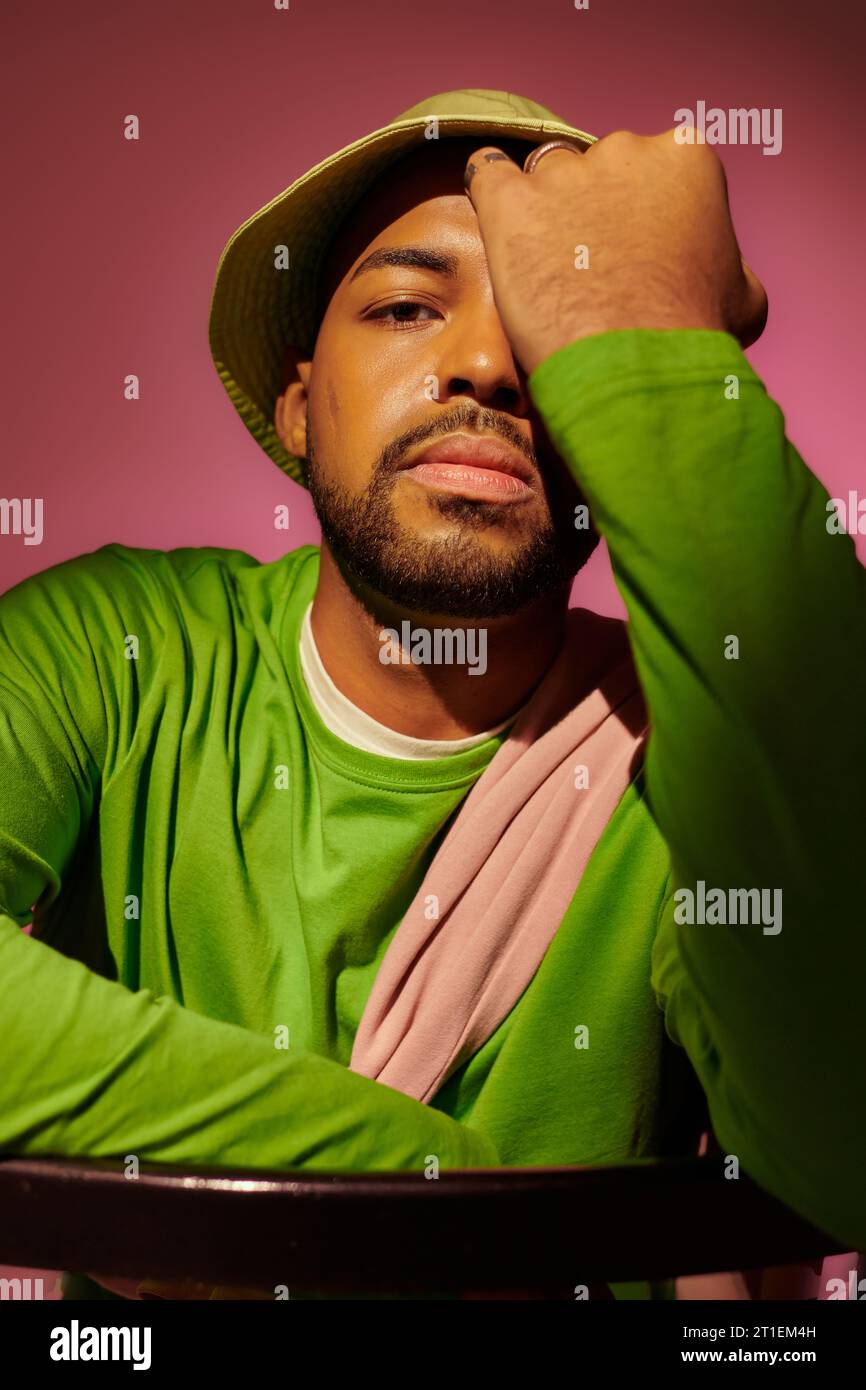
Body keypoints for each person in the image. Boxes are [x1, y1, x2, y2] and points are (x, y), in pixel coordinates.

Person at [0, 89, 863, 1302]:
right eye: (408, 307)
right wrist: (447, 1214)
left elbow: (842, 1131)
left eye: (545, 326)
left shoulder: (683, 746)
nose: (482, 364)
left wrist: (652, 340)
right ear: (300, 404)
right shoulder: (114, 651)